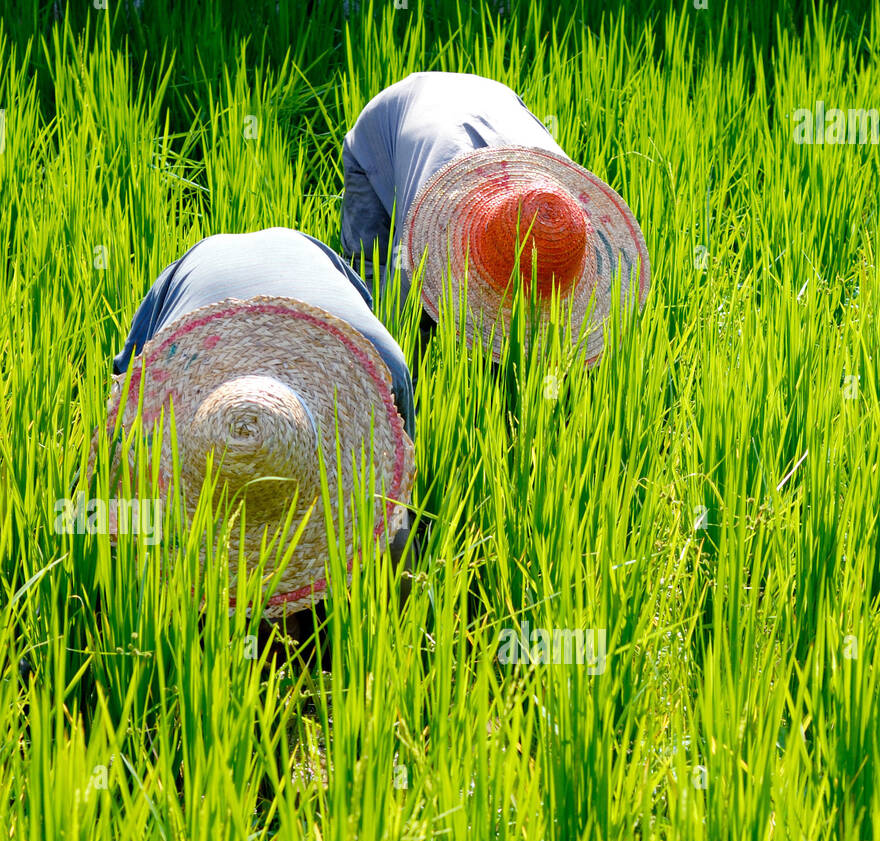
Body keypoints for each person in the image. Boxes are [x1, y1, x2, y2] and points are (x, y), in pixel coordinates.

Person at [97, 227, 417, 623]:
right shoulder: (170, 348)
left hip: (281, 266)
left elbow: (393, 500)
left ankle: (404, 626)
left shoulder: (379, 365)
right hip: (237, 261)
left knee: (387, 520)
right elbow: (125, 393)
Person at [341, 72, 651, 364]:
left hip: (497, 103)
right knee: (377, 290)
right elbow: (405, 304)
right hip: (395, 120)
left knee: (516, 327)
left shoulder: (561, 205)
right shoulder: (436, 219)